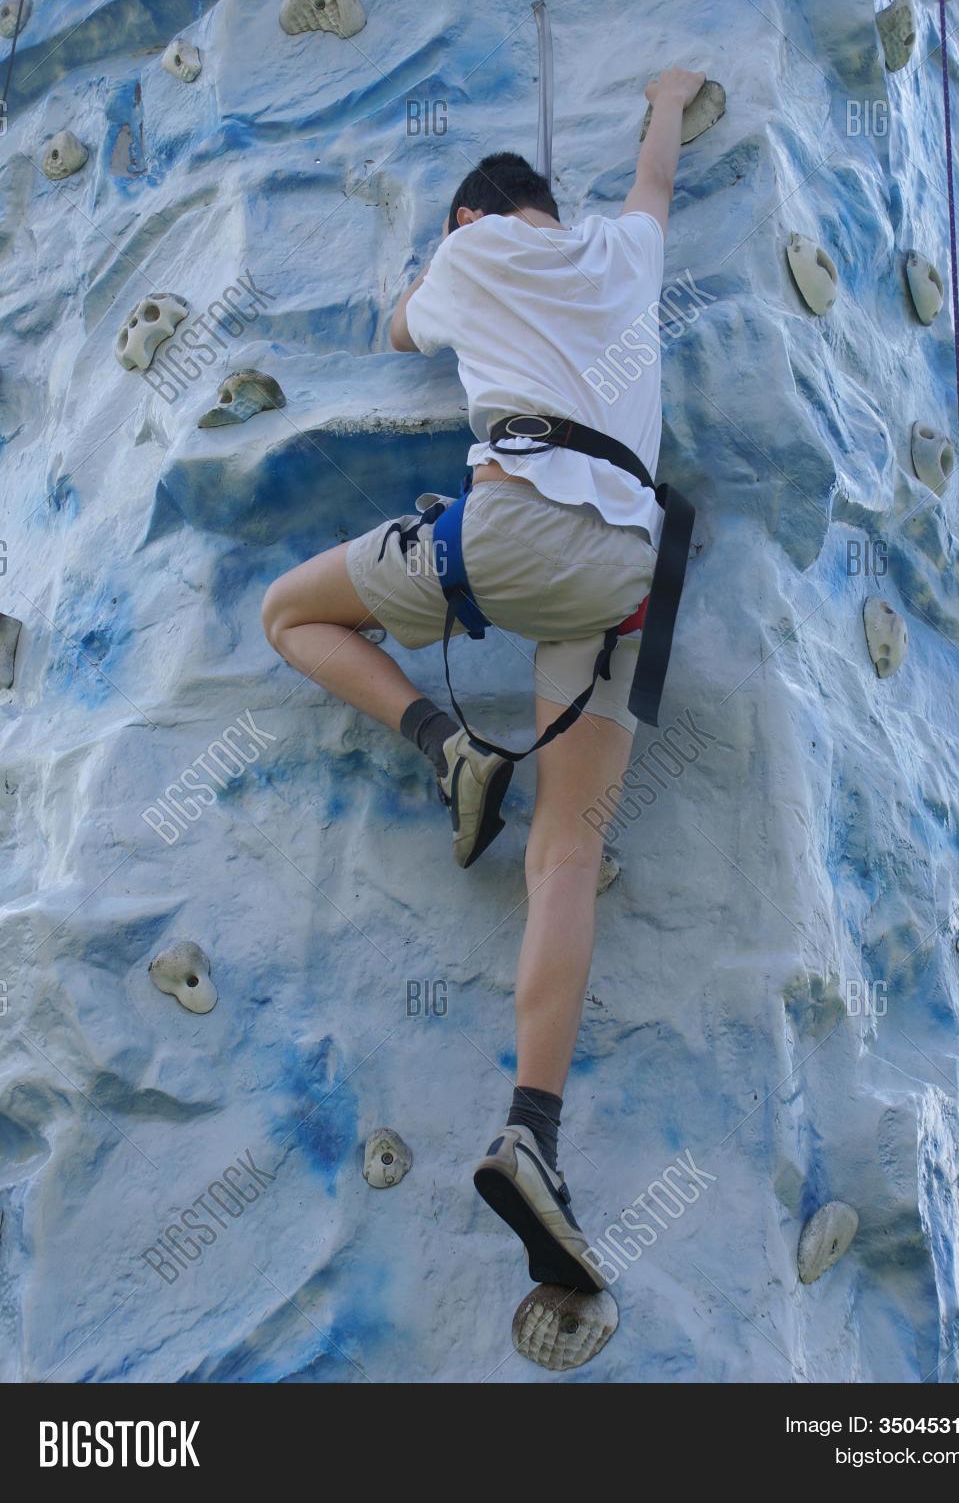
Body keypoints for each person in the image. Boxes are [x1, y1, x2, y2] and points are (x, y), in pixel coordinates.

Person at [262, 65, 705, 1293]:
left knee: (289, 611)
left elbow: (399, 330)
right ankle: (532, 1133)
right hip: (629, 570)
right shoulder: (621, 252)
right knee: (566, 851)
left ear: (467, 217)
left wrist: (427, 273)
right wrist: (669, 101)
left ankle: (445, 747)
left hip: (505, 530)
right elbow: (654, 184)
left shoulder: (466, 254)